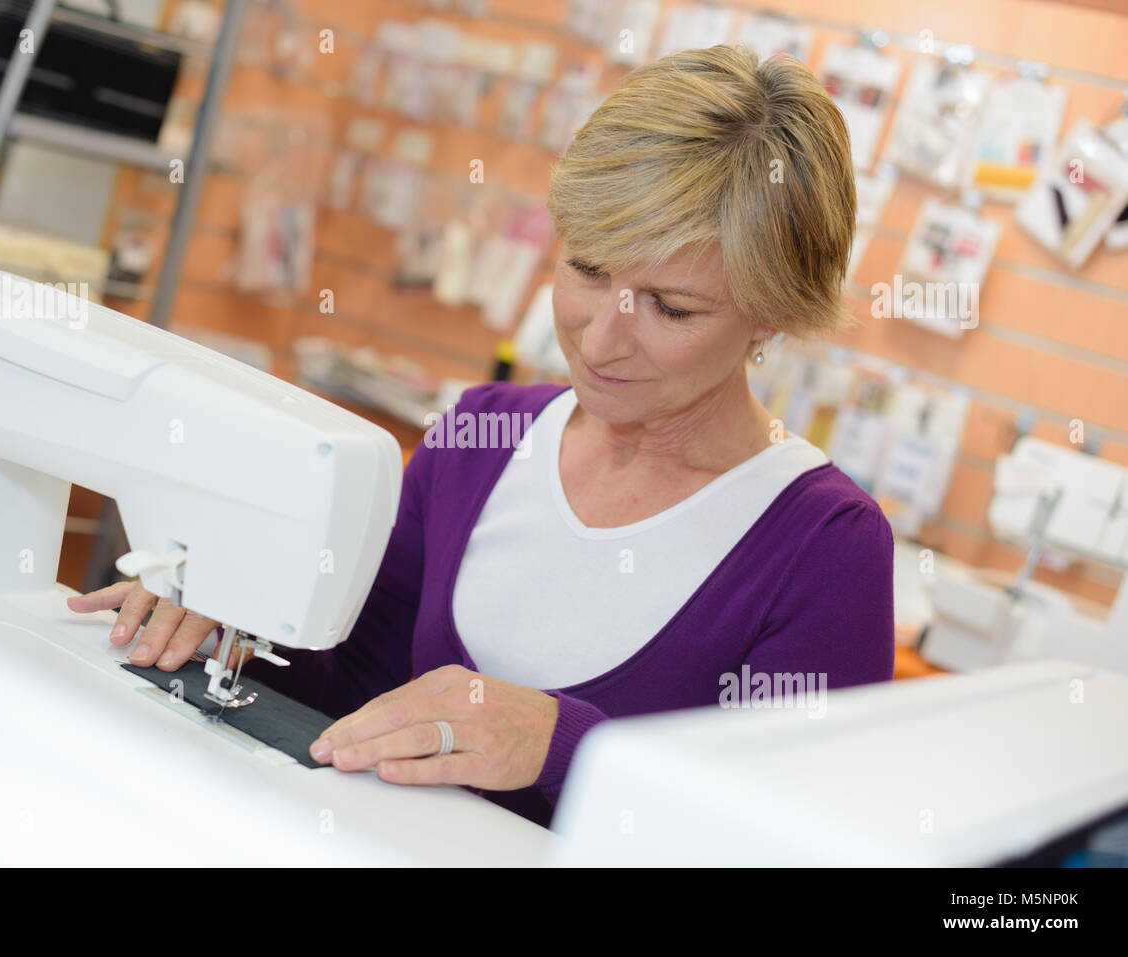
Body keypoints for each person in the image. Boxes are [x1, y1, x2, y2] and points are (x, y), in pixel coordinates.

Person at [67, 45, 894, 828]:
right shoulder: (483, 435)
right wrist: (234, 626)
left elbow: (785, 841)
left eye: (673, 309)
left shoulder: (824, 547)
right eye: (587, 269)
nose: (601, 339)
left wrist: (562, 745)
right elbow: (359, 689)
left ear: (777, 314)